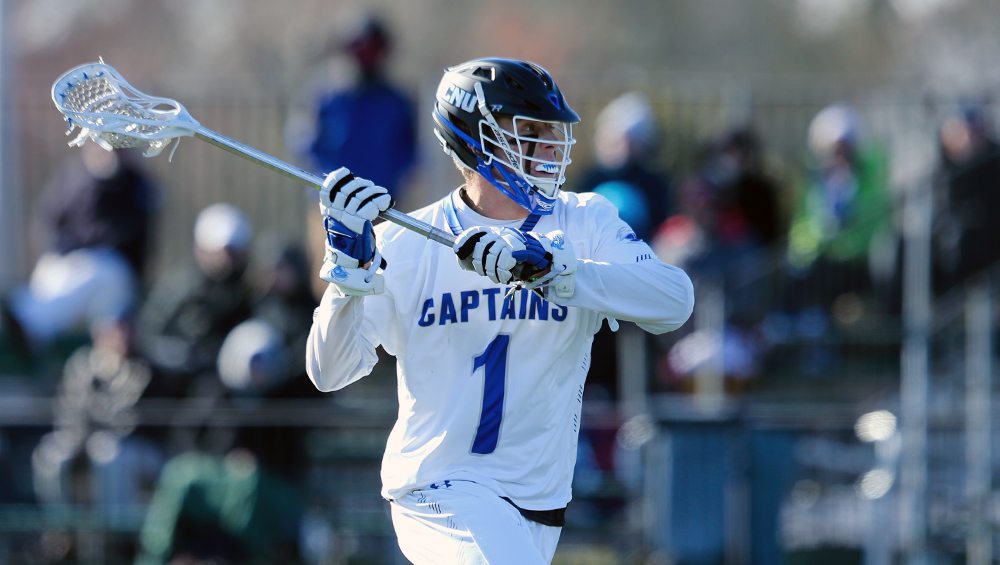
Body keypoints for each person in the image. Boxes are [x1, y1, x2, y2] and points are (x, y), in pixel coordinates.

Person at [306, 58, 694, 564]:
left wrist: (558, 272)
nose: (551, 146)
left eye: (552, 131)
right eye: (530, 130)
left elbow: (674, 300)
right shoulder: (404, 241)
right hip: (439, 489)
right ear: (474, 137)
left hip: (540, 502)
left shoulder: (585, 222)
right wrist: (347, 279)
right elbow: (329, 372)